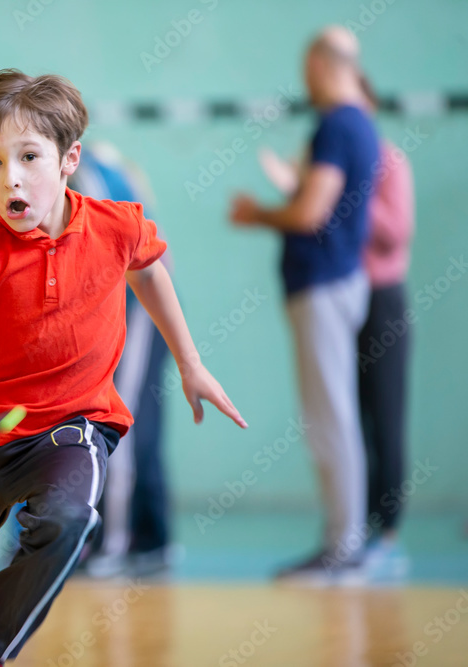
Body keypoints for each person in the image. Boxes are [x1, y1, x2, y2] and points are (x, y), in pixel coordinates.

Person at [0, 69, 246, 666]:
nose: (9, 177)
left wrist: (190, 362)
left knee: (66, 519)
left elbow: (147, 269)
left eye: (28, 157)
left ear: (70, 159)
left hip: (75, 425)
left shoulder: (115, 226)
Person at [230, 26, 380, 584]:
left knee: (331, 418)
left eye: (306, 66)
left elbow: (311, 214)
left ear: (321, 64)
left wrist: (258, 213)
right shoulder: (356, 125)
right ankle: (344, 543)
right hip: (335, 283)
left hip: (324, 284)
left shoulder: (337, 124)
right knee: (333, 416)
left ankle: (344, 547)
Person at [258, 73, 415, 581]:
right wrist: (310, 189)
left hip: (383, 299)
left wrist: (343, 191)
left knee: (381, 418)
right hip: (353, 292)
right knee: (345, 414)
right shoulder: (345, 156)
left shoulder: (383, 160)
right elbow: (317, 215)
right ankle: (351, 534)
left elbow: (395, 233)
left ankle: (382, 536)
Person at [69, 142, 177, 579]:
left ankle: (111, 541)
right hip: (125, 301)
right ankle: (151, 537)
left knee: (121, 420)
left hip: (133, 300)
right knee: (132, 416)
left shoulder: (87, 173)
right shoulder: (104, 162)